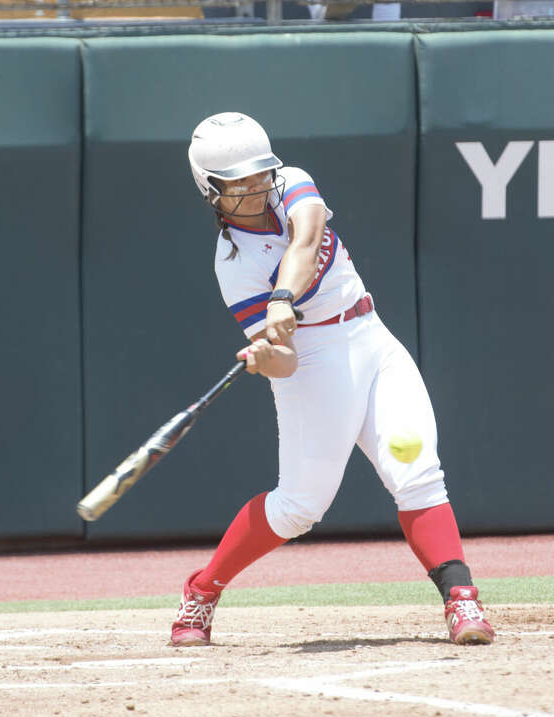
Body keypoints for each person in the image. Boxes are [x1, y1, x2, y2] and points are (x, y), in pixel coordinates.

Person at [171, 112, 494, 648]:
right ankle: (203, 590)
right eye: (239, 183)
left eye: (259, 175)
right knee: (299, 508)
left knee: (417, 473)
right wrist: (265, 357)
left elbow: (307, 237)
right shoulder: (234, 265)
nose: (254, 188)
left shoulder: (293, 181)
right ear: (211, 189)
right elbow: (288, 364)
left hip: (370, 333)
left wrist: (282, 299)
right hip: (314, 361)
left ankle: (461, 600)